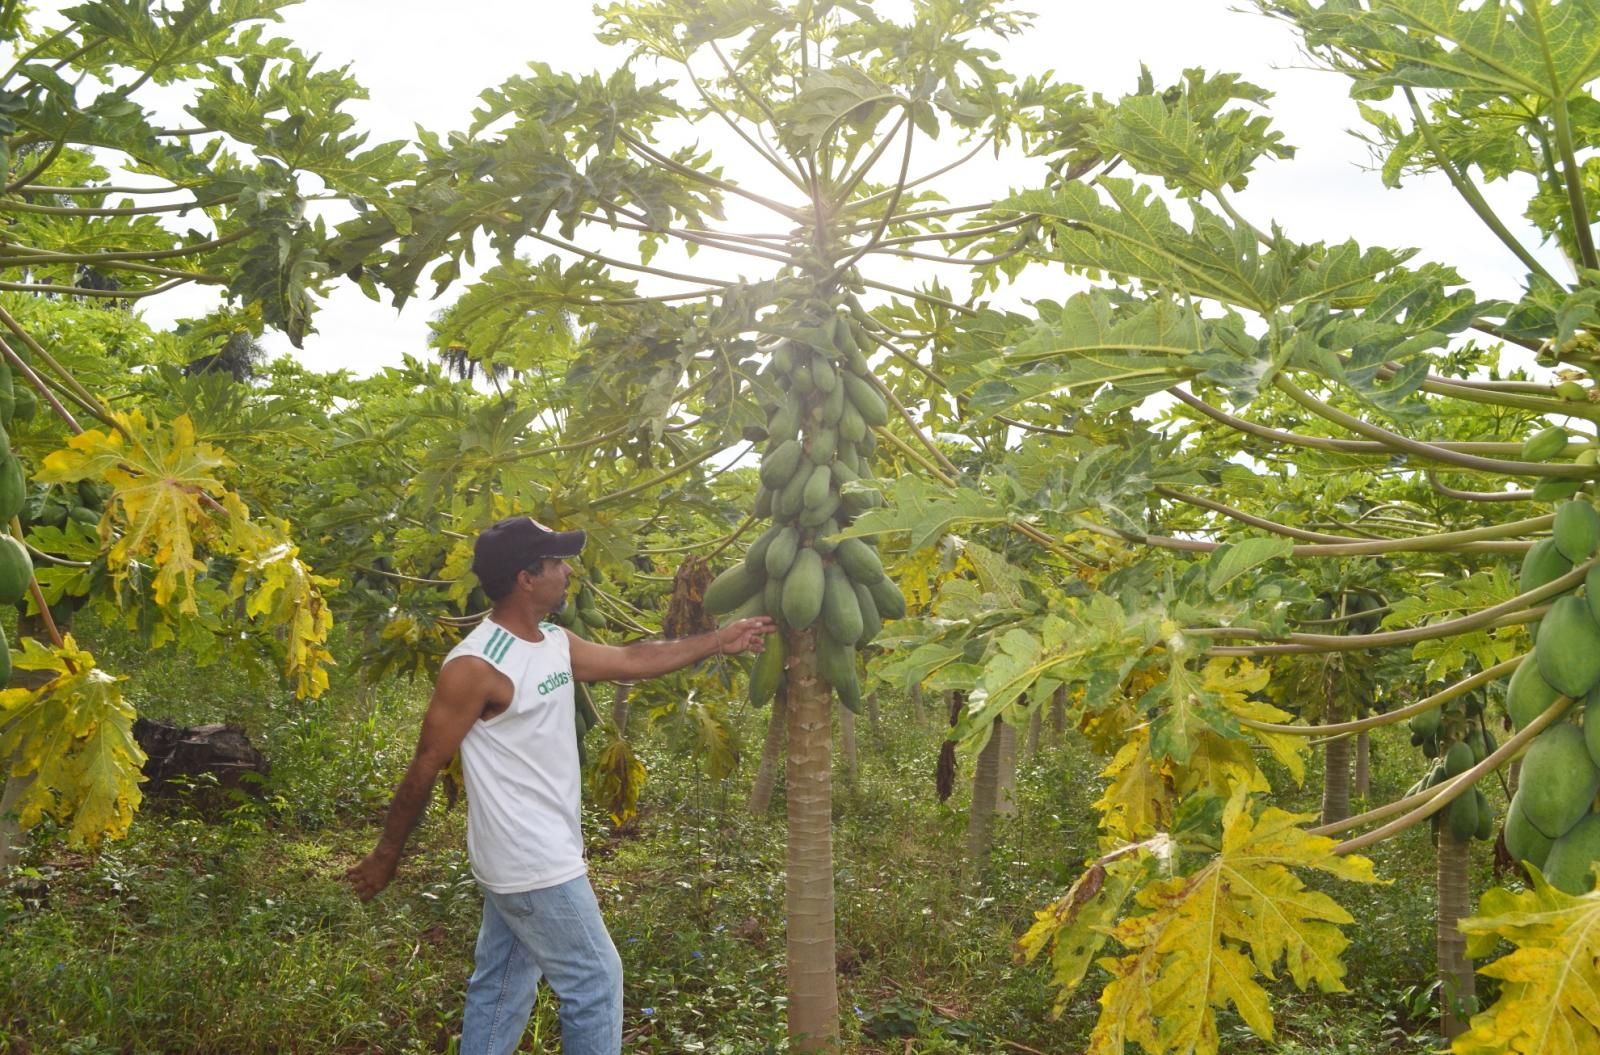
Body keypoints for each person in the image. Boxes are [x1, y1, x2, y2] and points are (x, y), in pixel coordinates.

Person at [346, 515, 775, 1055]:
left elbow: (629, 660)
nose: (567, 571)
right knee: (595, 983)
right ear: (527, 578)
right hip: (530, 862)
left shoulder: (552, 641)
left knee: (502, 984)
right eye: (556, 563)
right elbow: (425, 766)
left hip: (524, 858)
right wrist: (386, 855)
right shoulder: (476, 666)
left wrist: (719, 639)